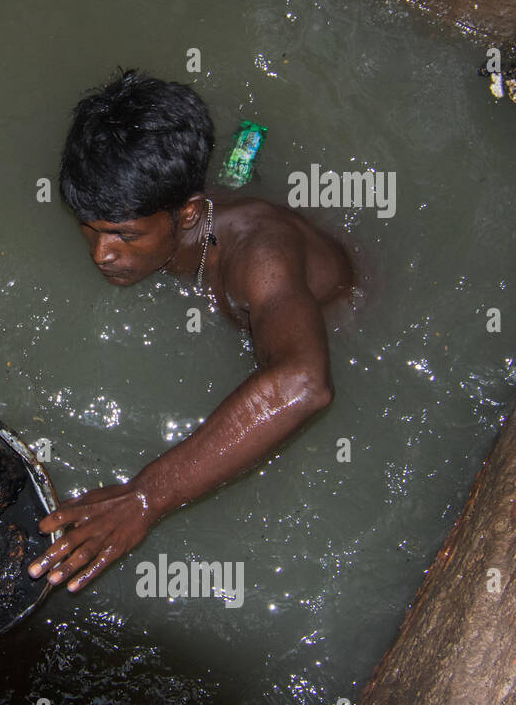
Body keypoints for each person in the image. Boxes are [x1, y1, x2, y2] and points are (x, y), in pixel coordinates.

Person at [28, 69, 355, 593]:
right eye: (88, 228)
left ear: (185, 216)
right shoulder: (163, 221)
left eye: (124, 237)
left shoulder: (257, 259)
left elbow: (303, 383)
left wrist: (145, 498)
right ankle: (244, 149)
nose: (101, 255)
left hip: (330, 306)